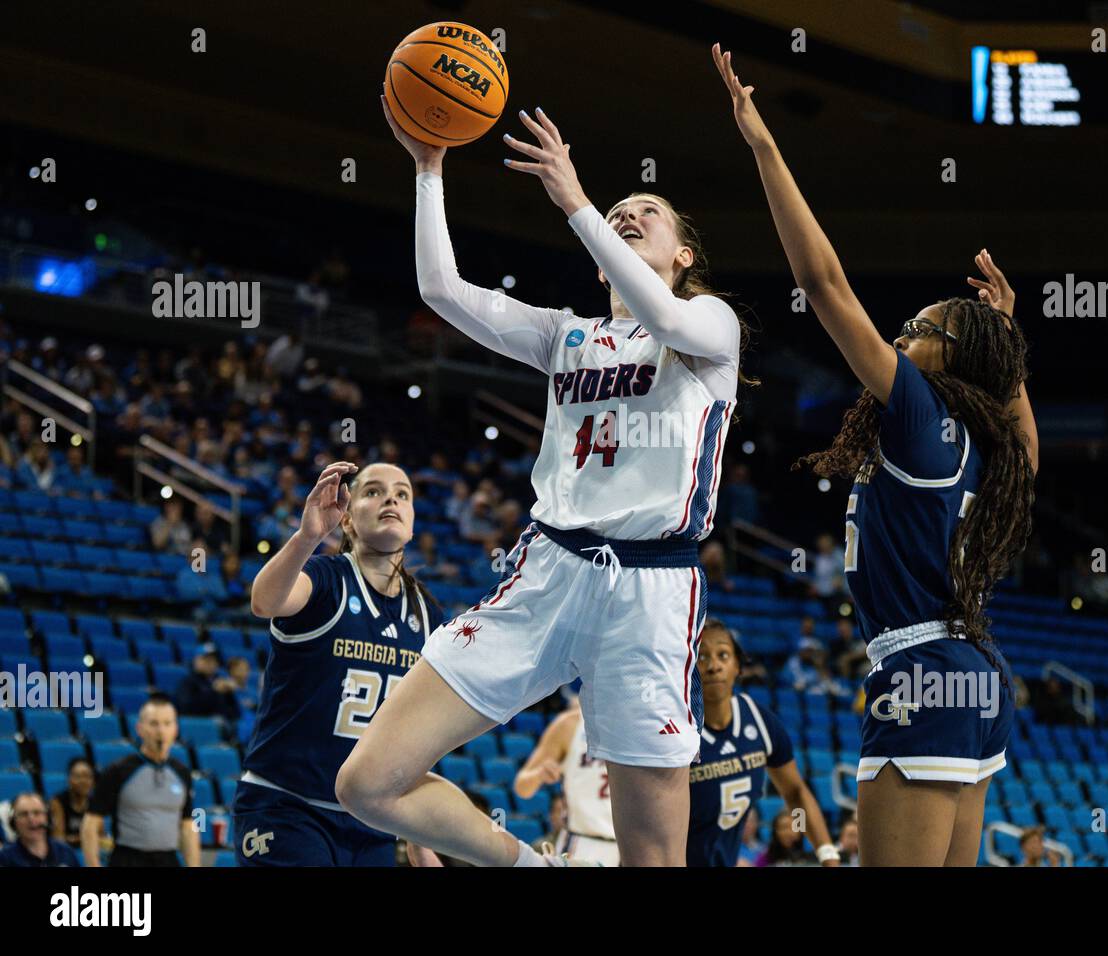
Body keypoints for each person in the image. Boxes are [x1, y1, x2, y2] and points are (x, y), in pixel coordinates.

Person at [335, 96, 747, 868]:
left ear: (684, 256)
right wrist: (429, 171)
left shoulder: (711, 328)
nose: (629, 214)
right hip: (547, 570)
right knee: (369, 783)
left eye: (647, 211)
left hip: (651, 592)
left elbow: (666, 318)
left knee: (654, 860)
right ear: (599, 264)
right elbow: (441, 290)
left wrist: (581, 203)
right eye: (618, 213)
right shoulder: (567, 335)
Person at [713, 44, 1037, 867]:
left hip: (922, 667)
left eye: (924, 330)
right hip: (976, 672)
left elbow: (824, 286)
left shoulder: (921, 415)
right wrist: (1008, 346)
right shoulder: (984, 440)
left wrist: (765, 148)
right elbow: (1030, 449)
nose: (903, 334)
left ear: (951, 363)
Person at [236, 462, 434, 867]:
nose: (391, 499)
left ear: (412, 524)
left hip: (371, 820)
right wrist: (308, 536)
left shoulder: (428, 614)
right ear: (346, 520)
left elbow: (419, 735)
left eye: (402, 493)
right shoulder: (326, 578)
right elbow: (265, 601)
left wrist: (419, 837)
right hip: (286, 806)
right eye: (373, 491)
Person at [687, 620, 839, 867]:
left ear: (738, 666)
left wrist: (820, 849)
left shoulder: (759, 721)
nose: (713, 666)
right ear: (689, 668)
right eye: (702, 658)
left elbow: (794, 794)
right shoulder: (680, 730)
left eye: (723, 655)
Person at [81, 695, 199, 867]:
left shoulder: (182, 773)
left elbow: (188, 827)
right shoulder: (118, 771)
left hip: (168, 860)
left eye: (167, 724)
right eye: (154, 723)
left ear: (175, 729)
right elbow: (90, 825)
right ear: (140, 728)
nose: (161, 731)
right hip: (128, 859)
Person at [514, 695, 619, 866]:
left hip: (635, 846)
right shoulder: (570, 725)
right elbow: (522, 786)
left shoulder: (645, 726)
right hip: (584, 843)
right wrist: (540, 774)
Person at [0, 793, 79, 867]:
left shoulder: (65, 852)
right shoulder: (5, 858)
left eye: (37, 813)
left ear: (47, 818)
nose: (31, 819)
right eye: (23, 814)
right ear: (13, 822)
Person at [174, 644, 240, 721]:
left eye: (214, 660)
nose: (211, 663)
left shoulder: (220, 681)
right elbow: (186, 709)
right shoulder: (187, 683)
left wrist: (230, 694)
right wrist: (214, 691)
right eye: (206, 659)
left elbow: (234, 714)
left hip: (223, 727)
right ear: (196, 660)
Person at [50, 757, 95, 849]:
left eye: (88, 776)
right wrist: (86, 838)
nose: (84, 781)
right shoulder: (58, 802)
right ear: (69, 779)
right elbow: (58, 839)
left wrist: (75, 839)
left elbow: (100, 837)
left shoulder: (94, 802)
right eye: (79, 777)